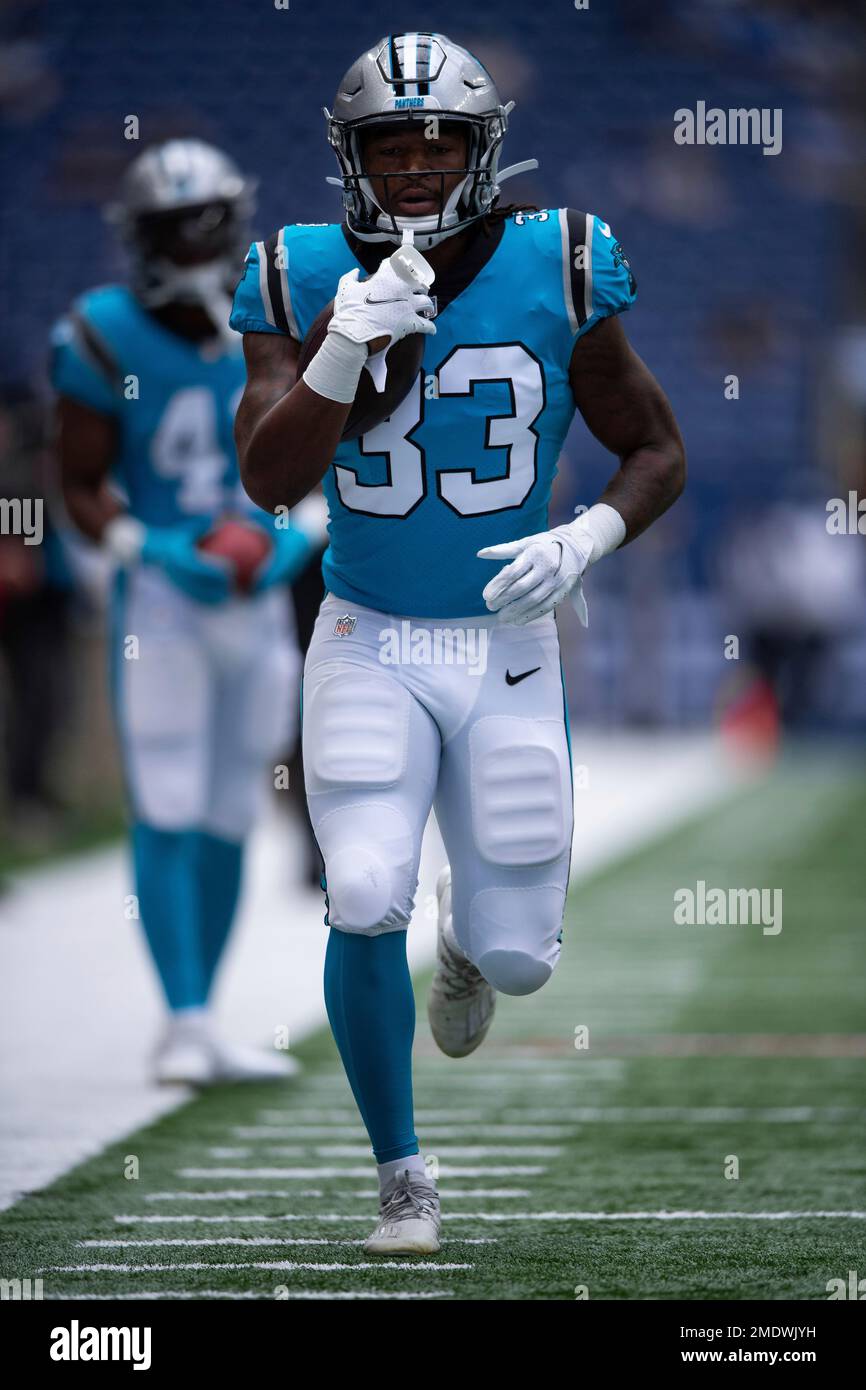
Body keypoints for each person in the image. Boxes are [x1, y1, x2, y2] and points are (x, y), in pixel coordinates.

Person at [231, 34, 685, 1251]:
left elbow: (655, 448)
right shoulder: (294, 271)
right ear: (352, 153)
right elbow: (268, 480)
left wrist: (586, 535)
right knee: (362, 885)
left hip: (509, 643)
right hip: (368, 634)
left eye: (441, 139)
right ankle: (401, 1175)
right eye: (392, 140)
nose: (418, 163)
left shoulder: (563, 259)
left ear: (484, 148)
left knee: (518, 957)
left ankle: (467, 947)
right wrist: (344, 342)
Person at [53, 139, 326, 1084]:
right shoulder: (100, 331)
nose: (196, 245)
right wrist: (155, 546)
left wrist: (294, 535)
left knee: (230, 810)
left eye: (206, 223)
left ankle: (202, 1020)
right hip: (163, 602)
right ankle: (180, 1018)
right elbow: (80, 484)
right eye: (176, 228)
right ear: (140, 237)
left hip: (254, 603)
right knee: (168, 800)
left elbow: (344, 461)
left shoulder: (282, 316)